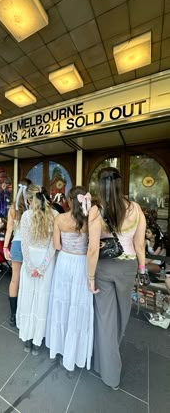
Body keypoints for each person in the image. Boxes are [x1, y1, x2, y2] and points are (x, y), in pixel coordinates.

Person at [87, 167, 146, 390]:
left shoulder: (96, 210)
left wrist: (90, 277)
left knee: (105, 318)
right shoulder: (136, 209)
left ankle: (107, 370)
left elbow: (93, 249)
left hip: (103, 269)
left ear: (100, 186)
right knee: (122, 316)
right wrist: (142, 269)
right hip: (128, 267)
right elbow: (139, 245)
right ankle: (110, 362)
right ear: (121, 184)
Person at [46, 186, 94, 371]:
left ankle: (59, 344)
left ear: (68, 200)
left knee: (61, 301)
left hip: (65, 261)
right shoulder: (90, 219)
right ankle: (76, 349)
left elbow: (57, 245)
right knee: (78, 304)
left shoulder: (60, 218)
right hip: (83, 263)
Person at [16, 184, 58, 355]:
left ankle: (27, 337)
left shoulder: (26, 215)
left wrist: (31, 266)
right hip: (46, 263)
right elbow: (53, 246)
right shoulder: (55, 215)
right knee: (42, 299)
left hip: (30, 259)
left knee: (28, 297)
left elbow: (24, 244)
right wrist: (42, 267)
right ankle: (38, 339)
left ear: (30, 199)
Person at [3, 179, 31, 327]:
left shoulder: (13, 209)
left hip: (16, 244)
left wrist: (5, 247)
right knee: (29, 280)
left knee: (15, 279)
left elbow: (9, 230)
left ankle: (13, 315)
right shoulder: (32, 208)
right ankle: (26, 311)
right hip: (31, 246)